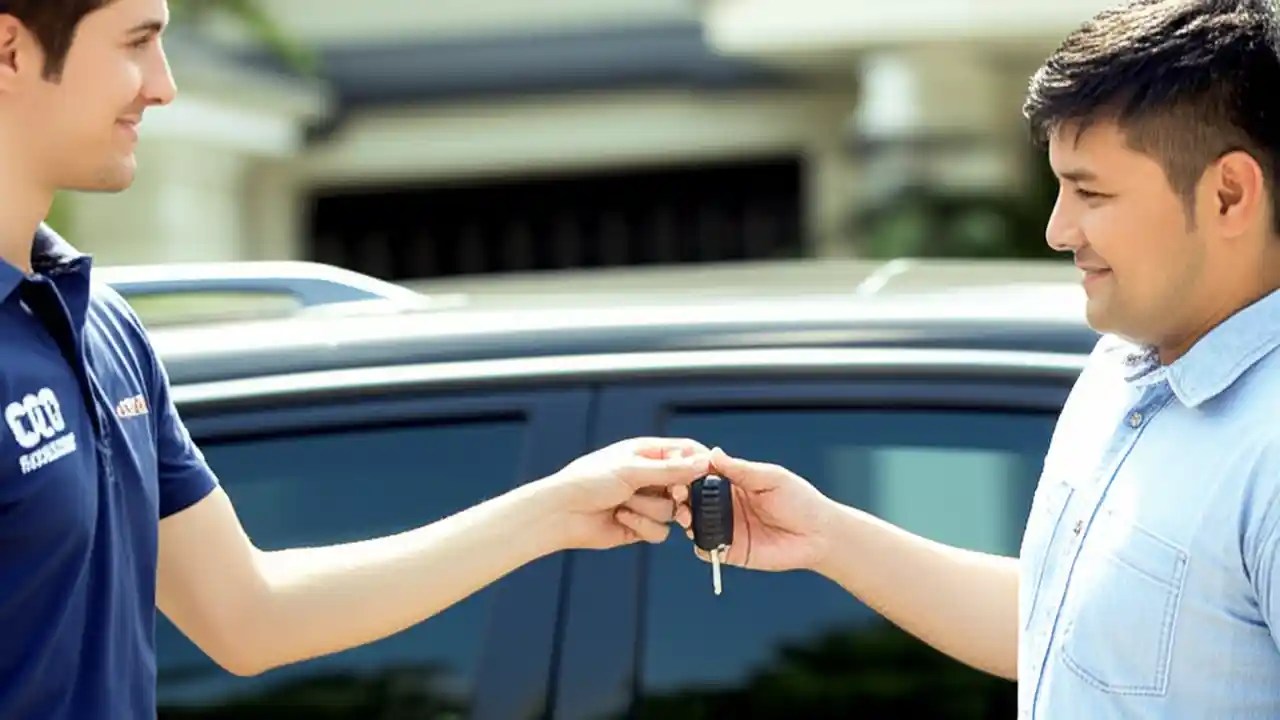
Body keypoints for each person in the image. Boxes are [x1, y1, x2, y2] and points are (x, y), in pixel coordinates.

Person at [0, 1, 710, 718]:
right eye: (137, 43)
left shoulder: (101, 325)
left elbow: (248, 616)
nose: (163, 85)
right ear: (8, 50)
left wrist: (556, 511)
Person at [674, 0, 1280, 717]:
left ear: (1229, 194)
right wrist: (825, 537)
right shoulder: (1121, 370)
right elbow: (1066, 628)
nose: (1059, 229)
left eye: (1091, 191)